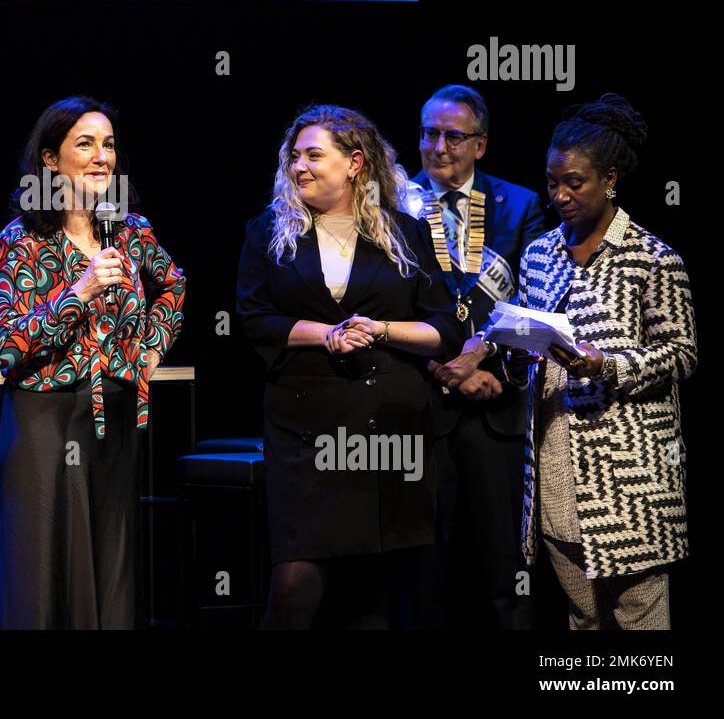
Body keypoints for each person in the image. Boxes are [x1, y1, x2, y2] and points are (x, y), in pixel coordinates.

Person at [237, 104, 462, 629]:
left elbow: (446, 331)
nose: (300, 167)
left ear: (355, 163)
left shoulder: (405, 233)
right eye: (294, 157)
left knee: (371, 592)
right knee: (294, 581)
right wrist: (328, 335)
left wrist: (381, 329)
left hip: (385, 424)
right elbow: (254, 320)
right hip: (303, 425)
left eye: (314, 155)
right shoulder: (268, 232)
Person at [0, 95, 186, 628]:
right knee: (45, 569)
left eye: (109, 144)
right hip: (46, 421)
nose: (102, 156)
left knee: (110, 565)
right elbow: (10, 345)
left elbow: (174, 284)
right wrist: (81, 288)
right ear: (50, 161)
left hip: (115, 419)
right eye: (86, 144)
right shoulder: (21, 242)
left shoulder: (129, 231)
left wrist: (148, 349)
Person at [503, 94, 693, 629]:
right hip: (556, 460)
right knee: (582, 619)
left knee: (639, 621)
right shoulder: (540, 254)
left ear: (610, 179)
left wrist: (605, 364)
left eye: (574, 182)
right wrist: (515, 360)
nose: (559, 194)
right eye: (551, 182)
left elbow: (681, 356)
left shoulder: (652, 259)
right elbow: (530, 340)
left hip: (630, 476)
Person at [405, 84, 547, 628]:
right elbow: (389, 303)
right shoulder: (395, 204)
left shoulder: (521, 204)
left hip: (495, 407)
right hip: (423, 409)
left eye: (453, 136)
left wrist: (480, 359)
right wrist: (446, 368)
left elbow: (536, 301)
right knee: (423, 574)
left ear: (480, 145)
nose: (438, 146)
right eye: (428, 133)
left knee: (506, 572)